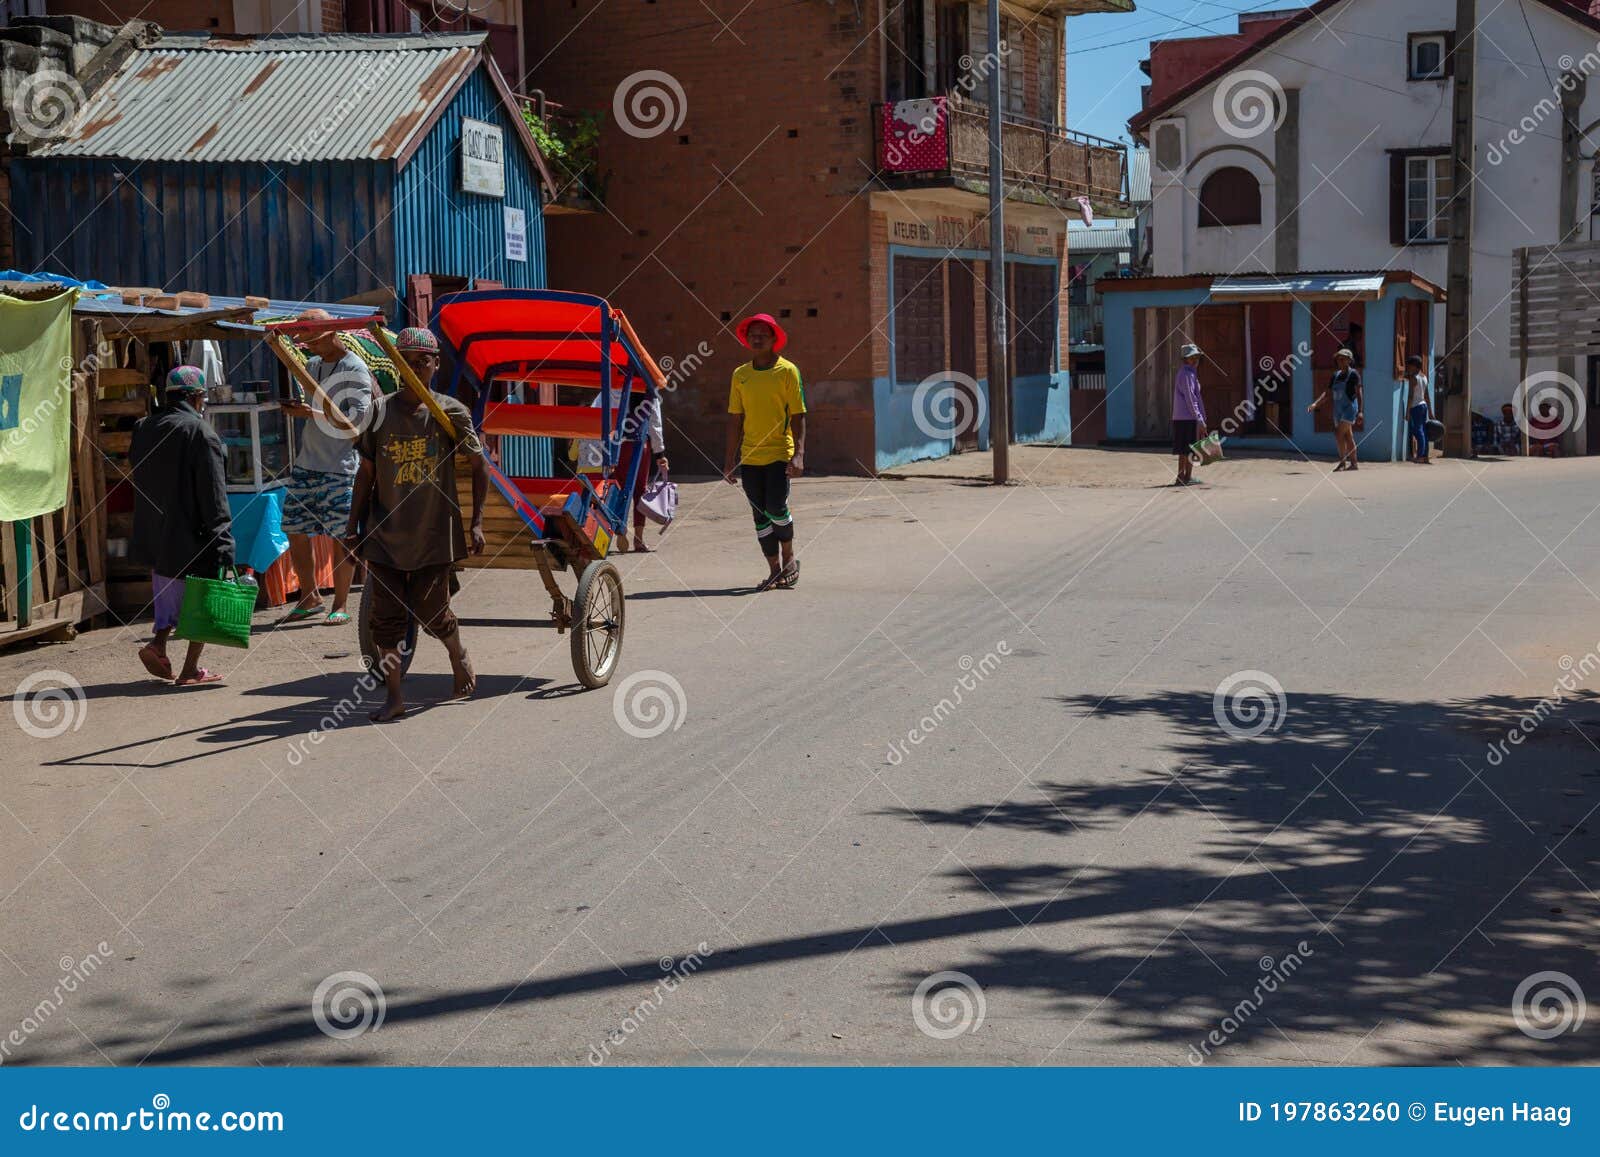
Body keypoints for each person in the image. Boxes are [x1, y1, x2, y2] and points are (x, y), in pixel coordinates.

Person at [345, 327, 487, 723]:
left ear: (435, 365)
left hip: (433, 533)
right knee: (384, 620)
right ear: (396, 366)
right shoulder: (379, 412)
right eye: (405, 361)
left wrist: (476, 522)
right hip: (386, 534)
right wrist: (352, 526)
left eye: (422, 361)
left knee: (431, 611)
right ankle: (394, 697)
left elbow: (480, 467)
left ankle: (457, 654)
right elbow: (366, 473)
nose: (414, 367)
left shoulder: (451, 412)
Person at [129, 366, 235, 687]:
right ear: (196, 397)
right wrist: (225, 546)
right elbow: (214, 497)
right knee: (201, 603)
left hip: (157, 536)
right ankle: (189, 670)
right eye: (202, 397)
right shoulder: (201, 433)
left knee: (169, 598)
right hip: (194, 536)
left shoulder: (143, 427)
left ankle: (158, 644)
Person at [279, 308, 377, 624]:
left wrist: (312, 414)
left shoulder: (356, 370)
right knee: (294, 529)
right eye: (308, 343)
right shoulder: (311, 366)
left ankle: (341, 603)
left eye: (315, 341)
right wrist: (302, 410)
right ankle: (309, 596)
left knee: (342, 535)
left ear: (331, 336)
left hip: (341, 465)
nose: (312, 348)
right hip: (308, 461)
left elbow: (357, 424)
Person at [723, 313, 806, 589]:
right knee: (759, 515)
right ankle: (773, 571)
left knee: (775, 507)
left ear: (774, 339)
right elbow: (736, 419)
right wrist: (729, 461)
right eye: (752, 335)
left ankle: (789, 555)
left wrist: (799, 454)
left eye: (763, 334)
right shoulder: (740, 375)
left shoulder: (787, 371)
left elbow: (798, 415)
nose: (757, 338)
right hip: (750, 456)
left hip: (780, 452)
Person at [574, 389, 667, 552]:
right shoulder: (649, 389)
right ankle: (639, 539)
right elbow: (655, 423)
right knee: (640, 491)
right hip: (640, 446)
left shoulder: (612, 387)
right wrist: (660, 453)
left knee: (618, 488)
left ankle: (619, 531)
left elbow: (597, 412)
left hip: (617, 445)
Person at [1307, 348, 1364, 471]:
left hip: (1350, 408)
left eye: (1343, 358)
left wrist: (1360, 411)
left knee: (1338, 433)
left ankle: (1342, 462)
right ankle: (1354, 464)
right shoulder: (1336, 375)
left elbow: (1359, 392)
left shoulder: (1354, 374)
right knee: (1348, 436)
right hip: (1338, 409)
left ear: (1349, 360)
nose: (1340, 361)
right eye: (1338, 358)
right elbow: (1327, 394)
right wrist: (1315, 404)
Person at [1172, 342, 1207, 486]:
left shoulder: (1187, 373)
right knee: (1190, 449)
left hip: (1182, 417)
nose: (1195, 360)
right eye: (1191, 358)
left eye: (1196, 358)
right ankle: (1186, 477)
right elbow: (1191, 398)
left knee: (1184, 449)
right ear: (1185, 359)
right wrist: (1199, 419)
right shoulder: (1187, 375)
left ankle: (1182, 477)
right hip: (1188, 418)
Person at [1405, 353, 1432, 464]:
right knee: (1423, 431)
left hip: (1416, 406)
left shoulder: (1413, 378)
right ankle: (1425, 456)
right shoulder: (1424, 377)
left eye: (1410, 366)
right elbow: (1426, 395)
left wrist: (1407, 412)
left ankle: (1420, 456)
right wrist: (1430, 411)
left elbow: (1410, 396)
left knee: (1417, 430)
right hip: (1423, 405)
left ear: (1415, 366)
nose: (1408, 368)